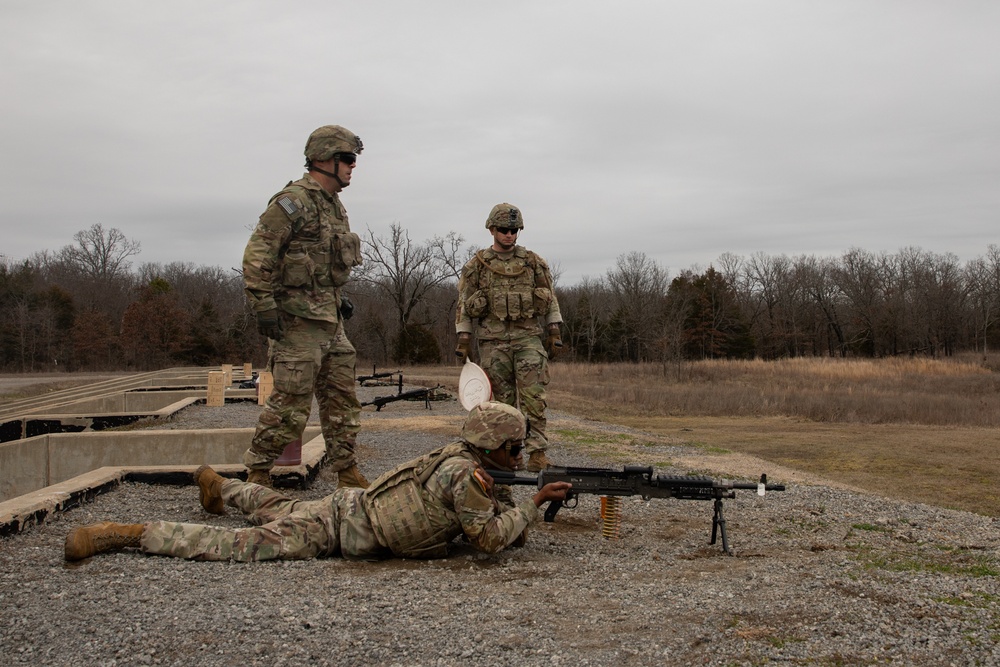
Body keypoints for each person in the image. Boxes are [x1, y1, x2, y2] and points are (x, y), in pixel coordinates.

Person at [63, 402, 573, 563]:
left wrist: (516, 499)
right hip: (337, 531)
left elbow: (498, 524)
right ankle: (126, 533)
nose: (519, 454)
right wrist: (531, 505)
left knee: (278, 505)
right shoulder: (466, 475)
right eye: (514, 446)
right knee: (241, 545)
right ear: (492, 443)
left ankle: (220, 487)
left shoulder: (464, 458)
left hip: (347, 506)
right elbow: (487, 540)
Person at [241, 125, 368, 489]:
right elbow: (257, 257)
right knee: (290, 405)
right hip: (296, 323)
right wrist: (263, 305)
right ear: (324, 158)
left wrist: (335, 294)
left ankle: (347, 472)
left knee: (343, 400)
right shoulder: (292, 202)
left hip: (330, 323)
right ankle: (257, 473)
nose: (352, 167)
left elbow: (322, 261)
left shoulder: (333, 207)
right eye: (347, 159)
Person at [455, 203, 563, 472]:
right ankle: (506, 454)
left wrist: (554, 332)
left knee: (533, 397)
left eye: (514, 230)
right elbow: (465, 304)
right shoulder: (477, 265)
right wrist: (464, 339)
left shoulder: (533, 262)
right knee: (500, 404)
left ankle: (537, 452)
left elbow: (549, 299)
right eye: (504, 229)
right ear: (492, 229)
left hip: (528, 338)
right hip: (493, 342)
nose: (510, 235)